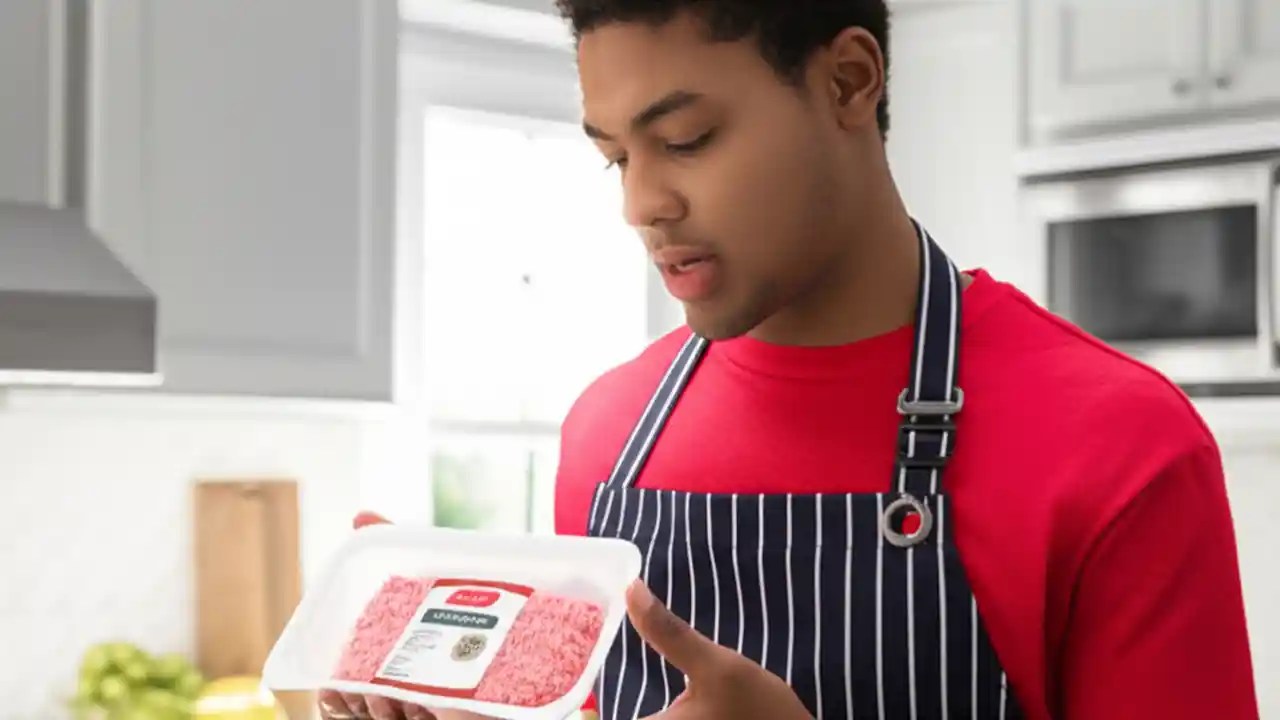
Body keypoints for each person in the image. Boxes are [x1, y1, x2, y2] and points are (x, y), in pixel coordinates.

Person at [320, 1, 1260, 719]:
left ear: (849, 81)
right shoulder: (606, 437)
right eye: (616, 157)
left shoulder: (1119, 444)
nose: (641, 204)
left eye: (686, 140)